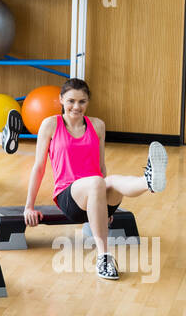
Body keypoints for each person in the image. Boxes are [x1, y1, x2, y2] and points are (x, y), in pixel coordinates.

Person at [23, 77, 167, 281]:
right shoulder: (51, 125)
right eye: (71, 101)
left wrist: (101, 205)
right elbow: (38, 168)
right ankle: (104, 257)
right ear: (61, 99)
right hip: (69, 197)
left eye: (82, 101)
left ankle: (148, 181)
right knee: (97, 182)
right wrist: (29, 206)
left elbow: (101, 167)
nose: (76, 106)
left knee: (112, 180)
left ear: (88, 102)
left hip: (96, 194)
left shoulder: (97, 125)